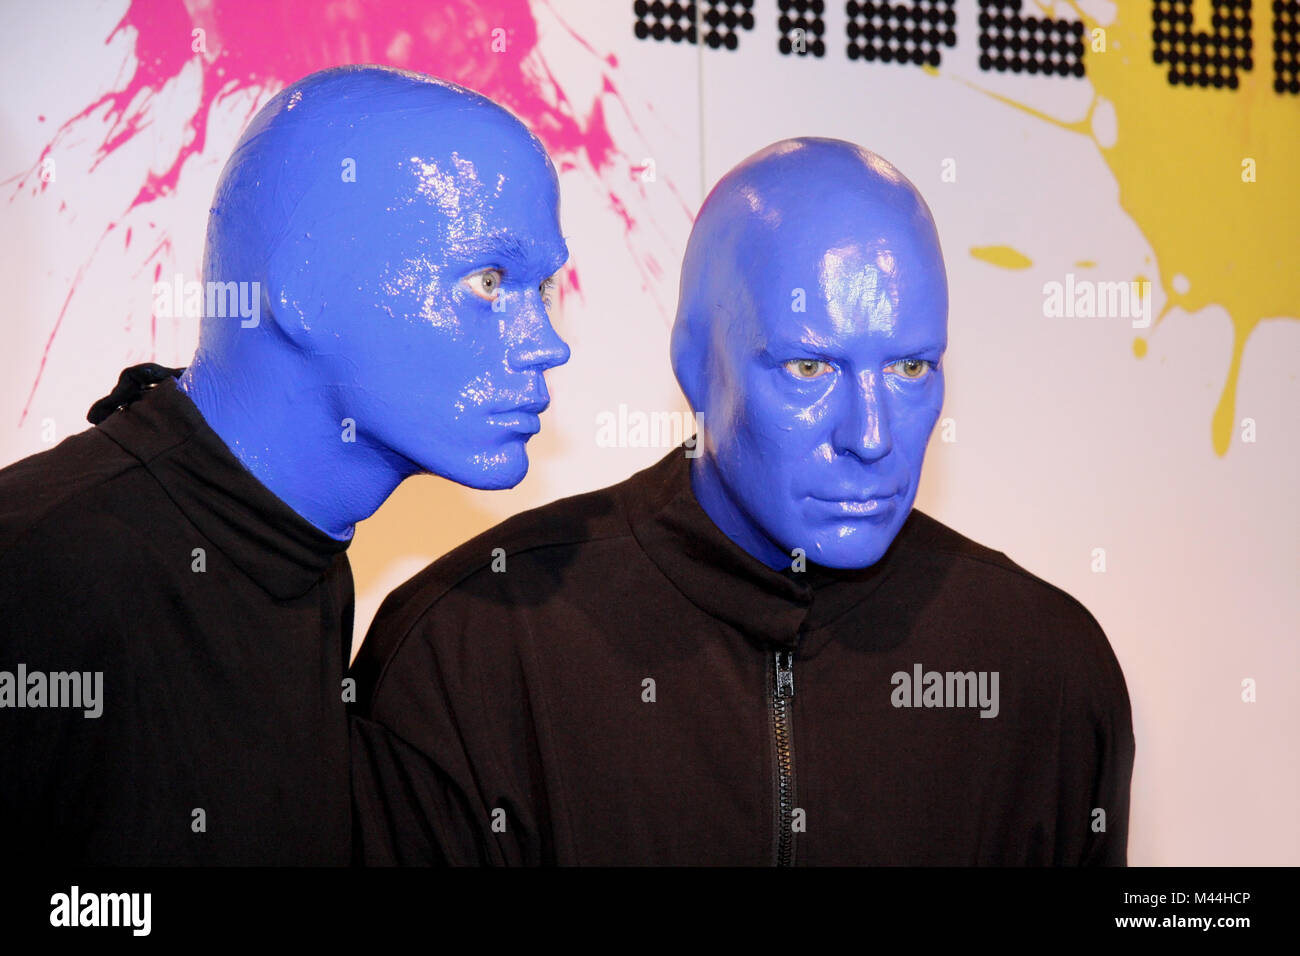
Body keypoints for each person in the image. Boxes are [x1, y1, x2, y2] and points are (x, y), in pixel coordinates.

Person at [349, 137, 1136, 866]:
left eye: (910, 370)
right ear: (695, 364)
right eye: (807, 369)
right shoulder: (472, 649)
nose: (870, 436)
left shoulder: (1047, 667)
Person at [0, 64, 570, 864]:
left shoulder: (301, 560)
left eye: (544, 289)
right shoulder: (43, 571)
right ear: (307, 284)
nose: (547, 343)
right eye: (487, 280)